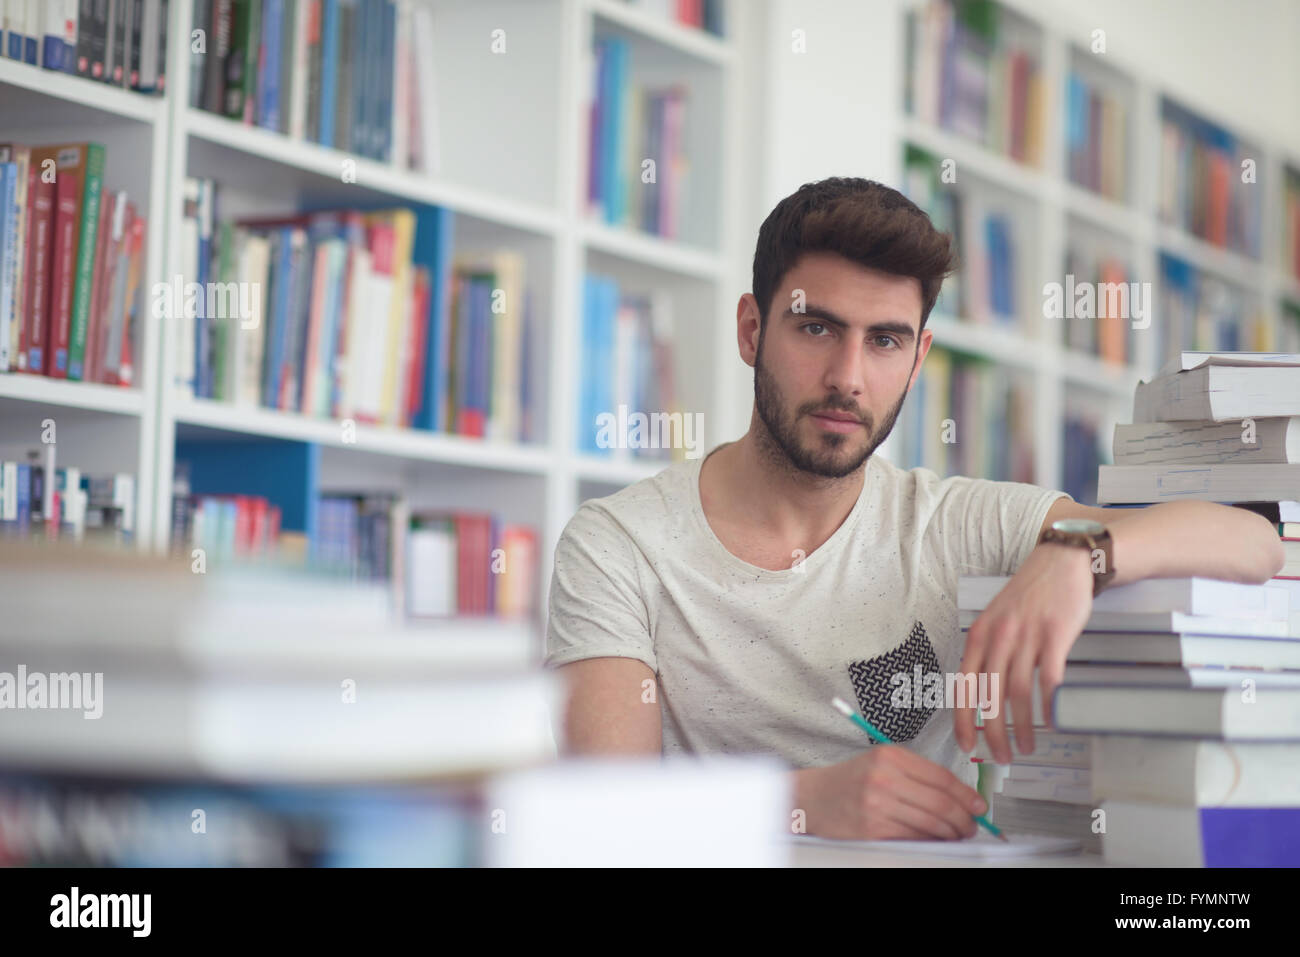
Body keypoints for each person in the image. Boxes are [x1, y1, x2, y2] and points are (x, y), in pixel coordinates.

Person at [544, 176, 1284, 841]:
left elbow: (1254, 541)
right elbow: (603, 809)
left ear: (920, 356)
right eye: (816, 327)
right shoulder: (618, 544)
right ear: (751, 329)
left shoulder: (953, 524)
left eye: (885, 340)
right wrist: (801, 801)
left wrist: (1075, 553)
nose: (848, 377)